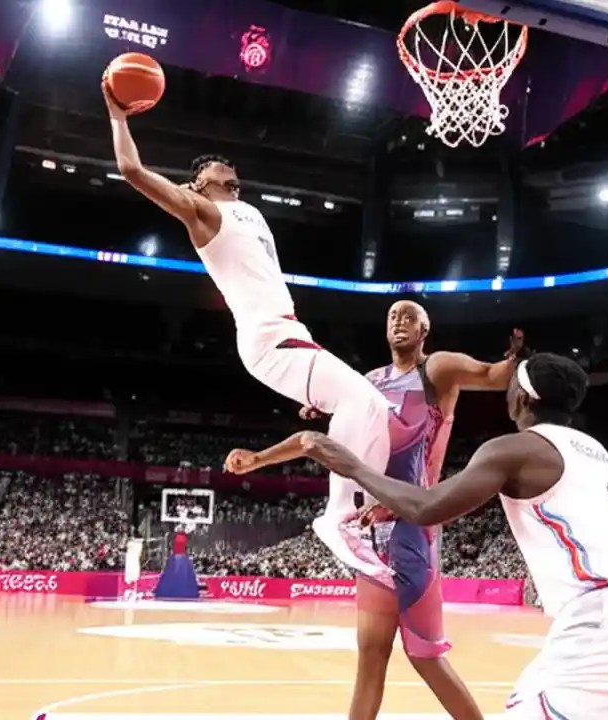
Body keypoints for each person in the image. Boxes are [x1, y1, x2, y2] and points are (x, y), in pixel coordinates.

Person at [100, 82, 391, 582]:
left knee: (370, 409)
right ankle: (339, 517)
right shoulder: (202, 212)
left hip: (290, 332)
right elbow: (130, 170)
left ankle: (365, 513)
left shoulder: (249, 213)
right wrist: (118, 116)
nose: (229, 173)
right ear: (197, 185)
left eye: (233, 174)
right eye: (216, 172)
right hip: (265, 337)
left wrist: (310, 379)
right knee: (363, 403)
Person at [294, 353, 608, 720]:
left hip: (607, 625)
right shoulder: (595, 452)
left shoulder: (514, 449)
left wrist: (349, 465)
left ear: (522, 397)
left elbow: (428, 506)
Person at [226, 300, 523, 720]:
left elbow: (494, 376)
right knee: (370, 660)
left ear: (425, 329)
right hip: (368, 535)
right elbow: (320, 441)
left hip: (412, 524)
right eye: (392, 316)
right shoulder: (367, 383)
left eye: (409, 316)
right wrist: (258, 458)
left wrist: (516, 359)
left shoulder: (436, 369)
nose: (398, 321)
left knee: (425, 658)